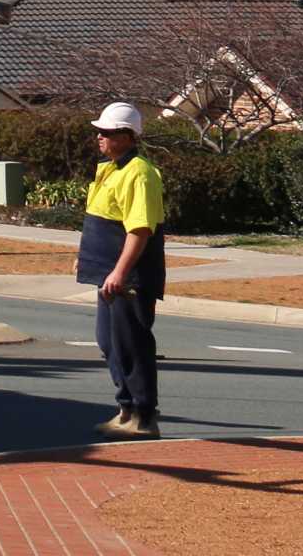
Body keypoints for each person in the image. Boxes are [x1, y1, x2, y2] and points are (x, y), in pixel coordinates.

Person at [79, 100, 168, 439]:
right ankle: (125, 407)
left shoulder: (140, 173)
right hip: (106, 272)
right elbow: (102, 222)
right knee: (109, 342)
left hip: (129, 276)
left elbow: (140, 229)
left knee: (132, 343)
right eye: (99, 131)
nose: (100, 137)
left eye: (108, 132)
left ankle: (144, 415)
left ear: (129, 136)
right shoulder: (110, 168)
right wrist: (88, 258)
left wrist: (119, 272)